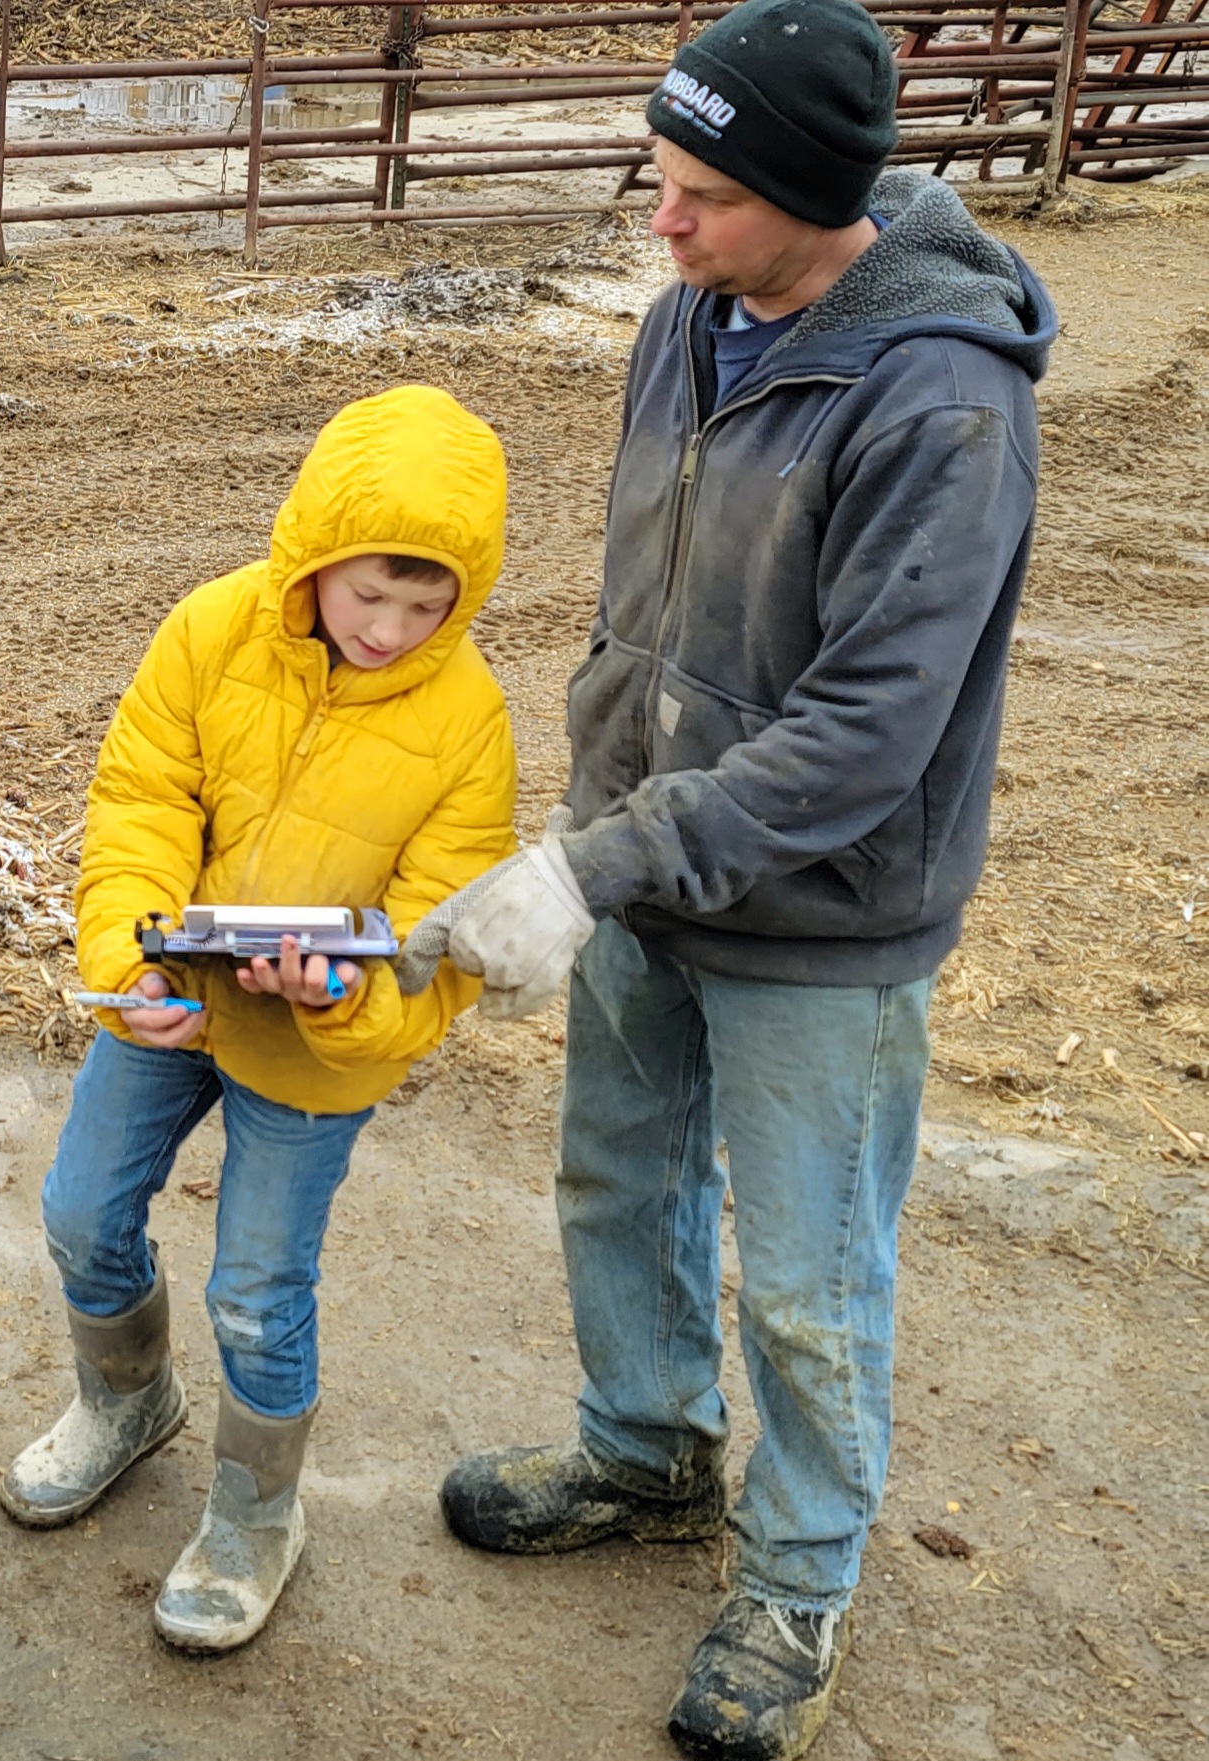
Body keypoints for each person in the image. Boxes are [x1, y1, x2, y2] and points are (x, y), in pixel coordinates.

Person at [420, 2, 1054, 1756]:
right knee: (614, 1183)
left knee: (804, 1271)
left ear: (803, 192)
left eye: (698, 191)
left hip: (823, 923)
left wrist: (598, 856)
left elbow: (862, 732)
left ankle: (794, 1577)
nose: (660, 220)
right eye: (656, 177)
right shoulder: (688, 322)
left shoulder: (939, 403)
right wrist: (597, 830)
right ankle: (641, 1454)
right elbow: (644, 614)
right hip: (650, 871)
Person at [0, 385, 517, 1652]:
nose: (390, 629)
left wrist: (345, 997)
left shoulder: (470, 725)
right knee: (79, 1211)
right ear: (312, 558)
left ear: (467, 593)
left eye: (425, 603)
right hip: (170, 1003)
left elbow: (440, 937)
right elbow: (141, 799)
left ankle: (254, 1515)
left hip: (313, 1051)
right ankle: (125, 1405)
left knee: (256, 1287)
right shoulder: (214, 626)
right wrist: (130, 955)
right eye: (366, 594)